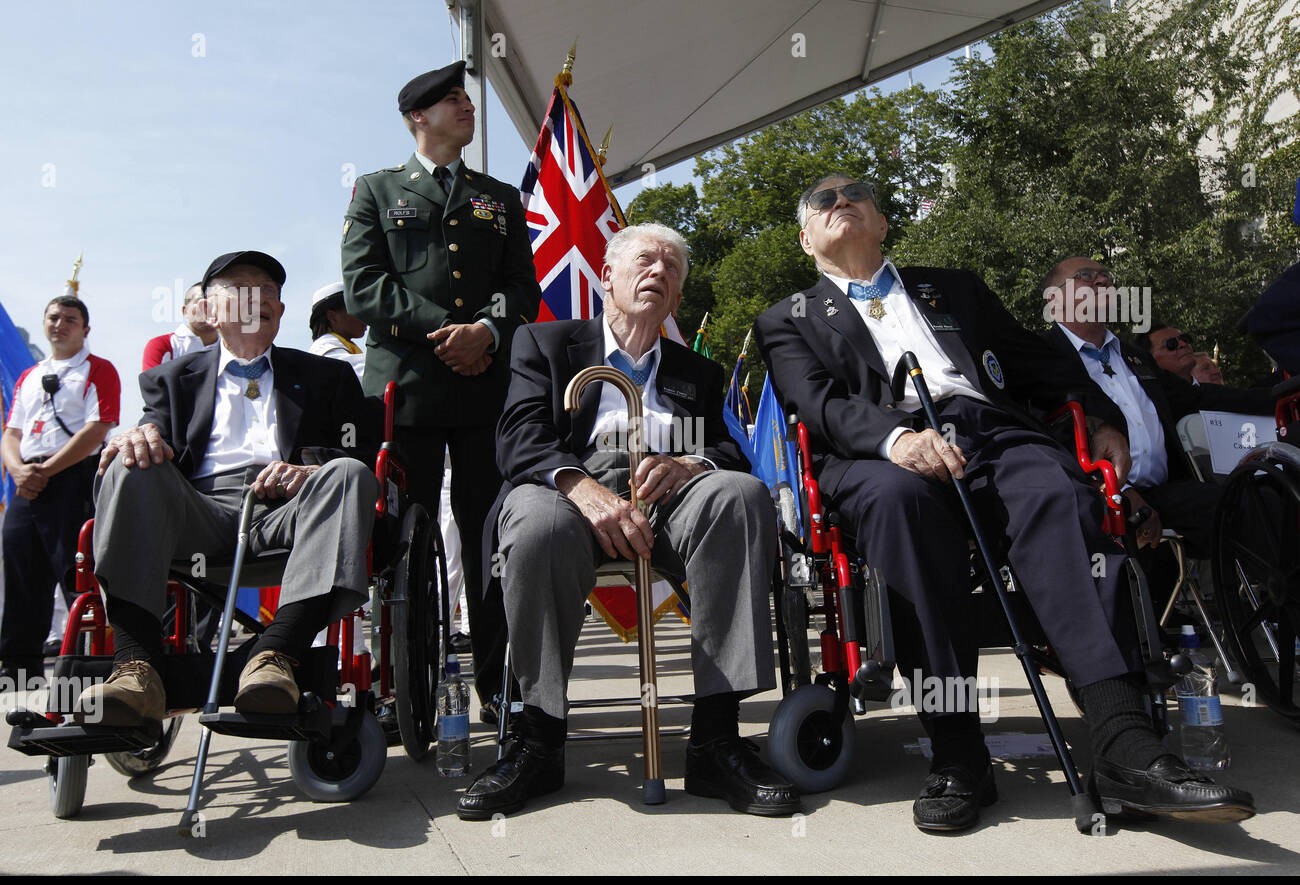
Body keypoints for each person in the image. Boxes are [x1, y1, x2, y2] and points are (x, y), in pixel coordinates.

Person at [755, 173, 1254, 832]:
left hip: (990, 430)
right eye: (823, 200)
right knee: (900, 508)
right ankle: (959, 752)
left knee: (1055, 490)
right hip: (876, 452)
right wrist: (898, 439)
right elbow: (816, 404)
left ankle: (1124, 743)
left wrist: (1103, 420)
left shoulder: (955, 287)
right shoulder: (785, 319)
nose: (840, 200)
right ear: (806, 238)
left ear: (881, 223)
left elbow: (1042, 366)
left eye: (857, 194)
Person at [457, 224, 800, 820]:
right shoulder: (545, 343)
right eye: (646, 260)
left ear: (677, 296)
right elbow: (519, 439)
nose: (660, 273)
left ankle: (716, 740)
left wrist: (690, 462)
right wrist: (581, 487)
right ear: (606, 275)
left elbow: (730, 450)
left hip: (668, 497)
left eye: (672, 268)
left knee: (741, 495)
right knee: (537, 526)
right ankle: (536, 739)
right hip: (567, 488)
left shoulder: (697, 372)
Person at [74, 251, 378, 725]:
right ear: (210, 312)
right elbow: (153, 439)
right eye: (240, 289)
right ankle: (136, 668)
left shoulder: (328, 375)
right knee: (131, 461)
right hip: (201, 514)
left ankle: (274, 658)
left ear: (280, 311)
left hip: (291, 510)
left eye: (268, 291)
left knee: (348, 474)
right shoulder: (170, 379)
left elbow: (359, 453)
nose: (257, 299)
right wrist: (136, 437)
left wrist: (310, 471)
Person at [342, 60, 541, 713]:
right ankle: (410, 687)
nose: (468, 106)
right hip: (408, 394)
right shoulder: (375, 190)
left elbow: (523, 290)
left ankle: (498, 684)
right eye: (454, 99)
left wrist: (485, 331)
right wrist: (448, 331)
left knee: (488, 537)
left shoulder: (498, 197)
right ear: (417, 117)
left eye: (467, 97)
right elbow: (366, 287)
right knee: (406, 541)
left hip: (486, 389)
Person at [1041, 256, 1271, 558]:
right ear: (1055, 300)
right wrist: (1120, 491)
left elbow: (1200, 399)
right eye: (1086, 276)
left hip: (1167, 493)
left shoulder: (1136, 358)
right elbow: (1047, 434)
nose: (1103, 281)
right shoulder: (1042, 358)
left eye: (1105, 275)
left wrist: (1278, 395)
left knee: (1258, 499)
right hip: (1094, 495)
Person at [1, 296, 120, 684]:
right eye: (53, 317)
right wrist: (20, 470)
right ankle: (20, 669)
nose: (60, 325)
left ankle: (86, 667)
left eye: (70, 319)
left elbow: (98, 428)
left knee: (76, 574)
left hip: (72, 478)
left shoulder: (99, 370)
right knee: (22, 576)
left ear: (86, 329)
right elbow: (12, 432)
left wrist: (47, 470)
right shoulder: (29, 376)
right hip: (26, 482)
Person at [142, 283, 218, 369]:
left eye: (213, 301)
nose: (206, 307)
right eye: (199, 301)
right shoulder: (163, 345)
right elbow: (151, 381)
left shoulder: (233, 349)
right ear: (185, 311)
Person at [307, 282, 366, 379]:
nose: (366, 317)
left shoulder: (345, 347)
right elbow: (367, 376)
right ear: (332, 316)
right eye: (358, 309)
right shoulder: (325, 349)